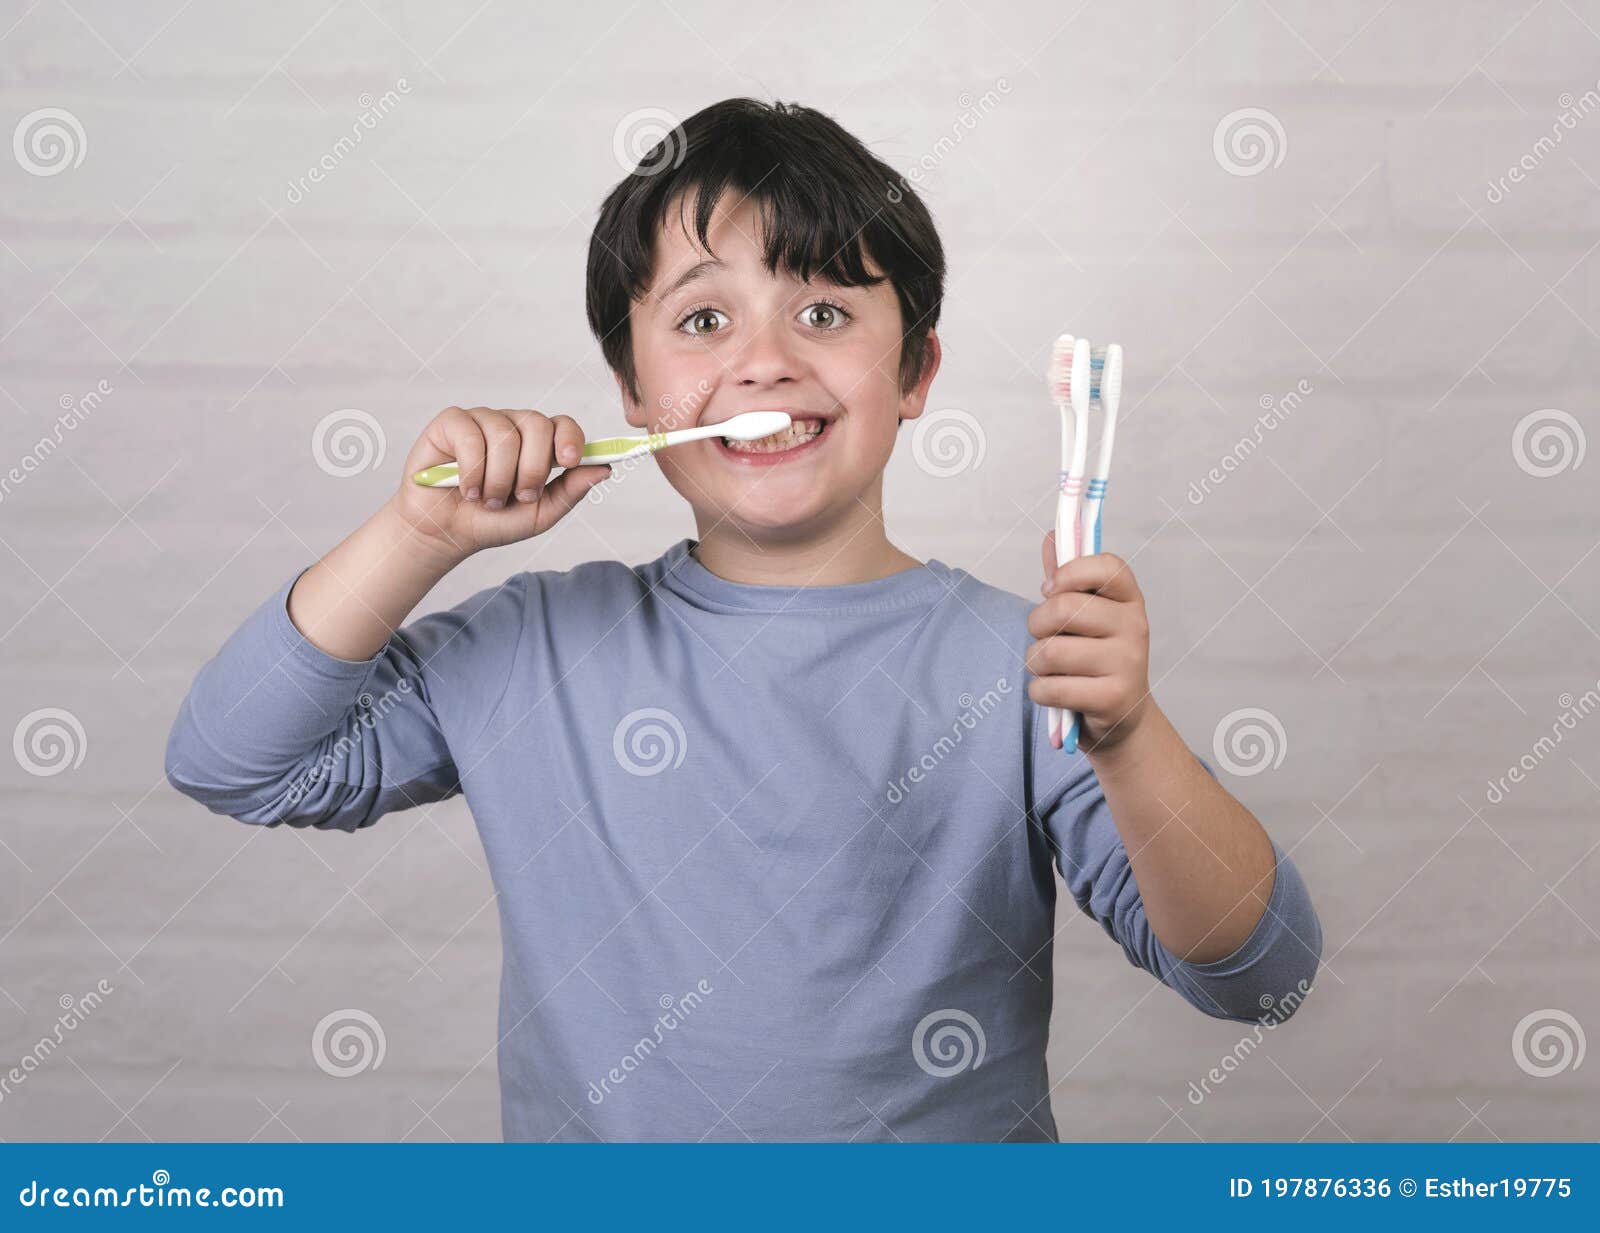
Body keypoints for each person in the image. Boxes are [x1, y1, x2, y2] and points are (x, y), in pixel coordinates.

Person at [165, 97, 1321, 1142]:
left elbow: (1262, 979)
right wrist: (418, 535)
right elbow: (233, 763)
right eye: (704, 320)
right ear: (631, 391)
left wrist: (1129, 738)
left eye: (822, 309)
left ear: (914, 372)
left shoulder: (1030, 669)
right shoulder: (533, 645)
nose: (764, 362)